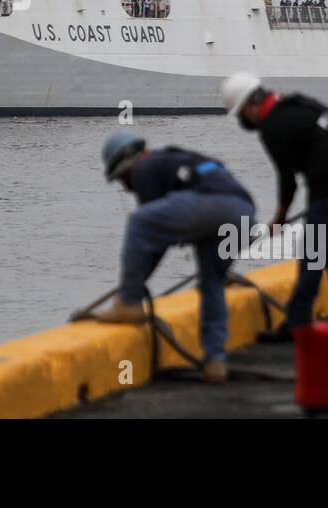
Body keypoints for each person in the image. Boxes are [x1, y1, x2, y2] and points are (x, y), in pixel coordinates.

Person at [83, 129, 256, 382]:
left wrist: (131, 291)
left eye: (121, 179)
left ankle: (128, 304)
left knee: (140, 222)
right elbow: (157, 242)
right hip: (244, 215)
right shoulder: (172, 160)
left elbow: (150, 241)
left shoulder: (144, 168)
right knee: (212, 283)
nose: (125, 186)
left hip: (214, 207)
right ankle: (215, 361)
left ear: (125, 165)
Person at [217, 73, 328, 343]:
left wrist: (278, 219)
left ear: (251, 105)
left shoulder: (272, 127)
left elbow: (287, 181)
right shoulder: (295, 104)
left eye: (241, 112)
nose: (243, 119)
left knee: (312, 253)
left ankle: (297, 322)